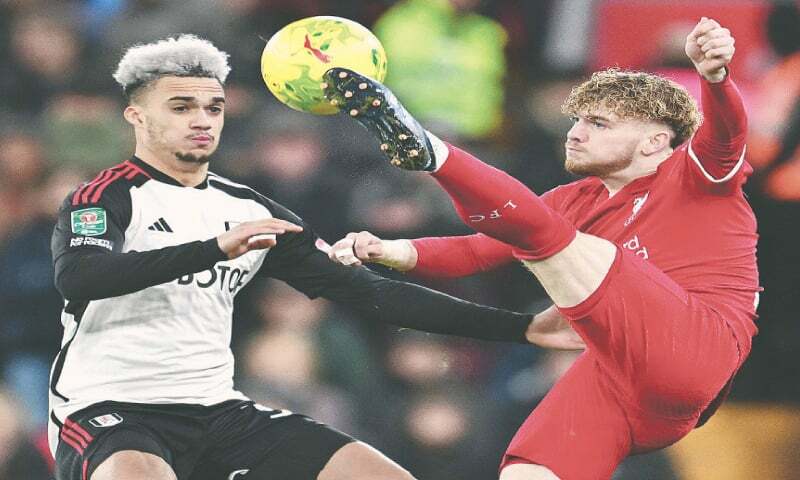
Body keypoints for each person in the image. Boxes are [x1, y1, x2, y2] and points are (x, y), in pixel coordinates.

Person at [48, 34, 548, 480]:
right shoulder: (104, 197)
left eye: (214, 108)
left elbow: (371, 294)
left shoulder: (247, 210)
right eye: (181, 107)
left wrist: (520, 328)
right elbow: (82, 277)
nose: (202, 120)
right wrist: (214, 249)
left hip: (217, 410)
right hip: (110, 409)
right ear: (137, 116)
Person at [325, 17, 758, 480]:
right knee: (526, 474)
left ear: (655, 142)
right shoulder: (573, 201)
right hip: (624, 385)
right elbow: (477, 252)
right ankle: (431, 155)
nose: (575, 132)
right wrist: (393, 250)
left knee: (552, 237)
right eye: (575, 120)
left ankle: (433, 153)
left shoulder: (694, 175)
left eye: (598, 122)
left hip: (698, 351)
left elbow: (728, 134)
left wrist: (715, 79)